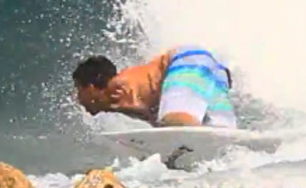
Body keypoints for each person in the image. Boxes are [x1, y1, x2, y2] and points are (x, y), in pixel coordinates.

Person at [72, 45, 237, 128]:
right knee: (221, 139)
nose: (77, 98)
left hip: (186, 62)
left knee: (178, 126)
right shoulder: (120, 99)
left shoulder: (115, 88)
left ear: (91, 88)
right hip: (211, 71)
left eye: (78, 90)